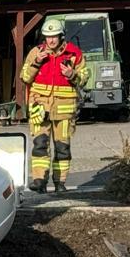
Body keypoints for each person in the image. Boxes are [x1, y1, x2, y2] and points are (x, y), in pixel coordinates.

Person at [19, 16, 88, 193]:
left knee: (62, 147)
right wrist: (37, 63)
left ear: (61, 36)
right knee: (40, 144)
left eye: (54, 36)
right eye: (47, 37)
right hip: (39, 108)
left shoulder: (74, 54)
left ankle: (60, 182)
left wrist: (72, 74)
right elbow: (25, 77)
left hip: (64, 110)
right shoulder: (36, 52)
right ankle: (39, 181)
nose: (50, 40)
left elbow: (85, 79)